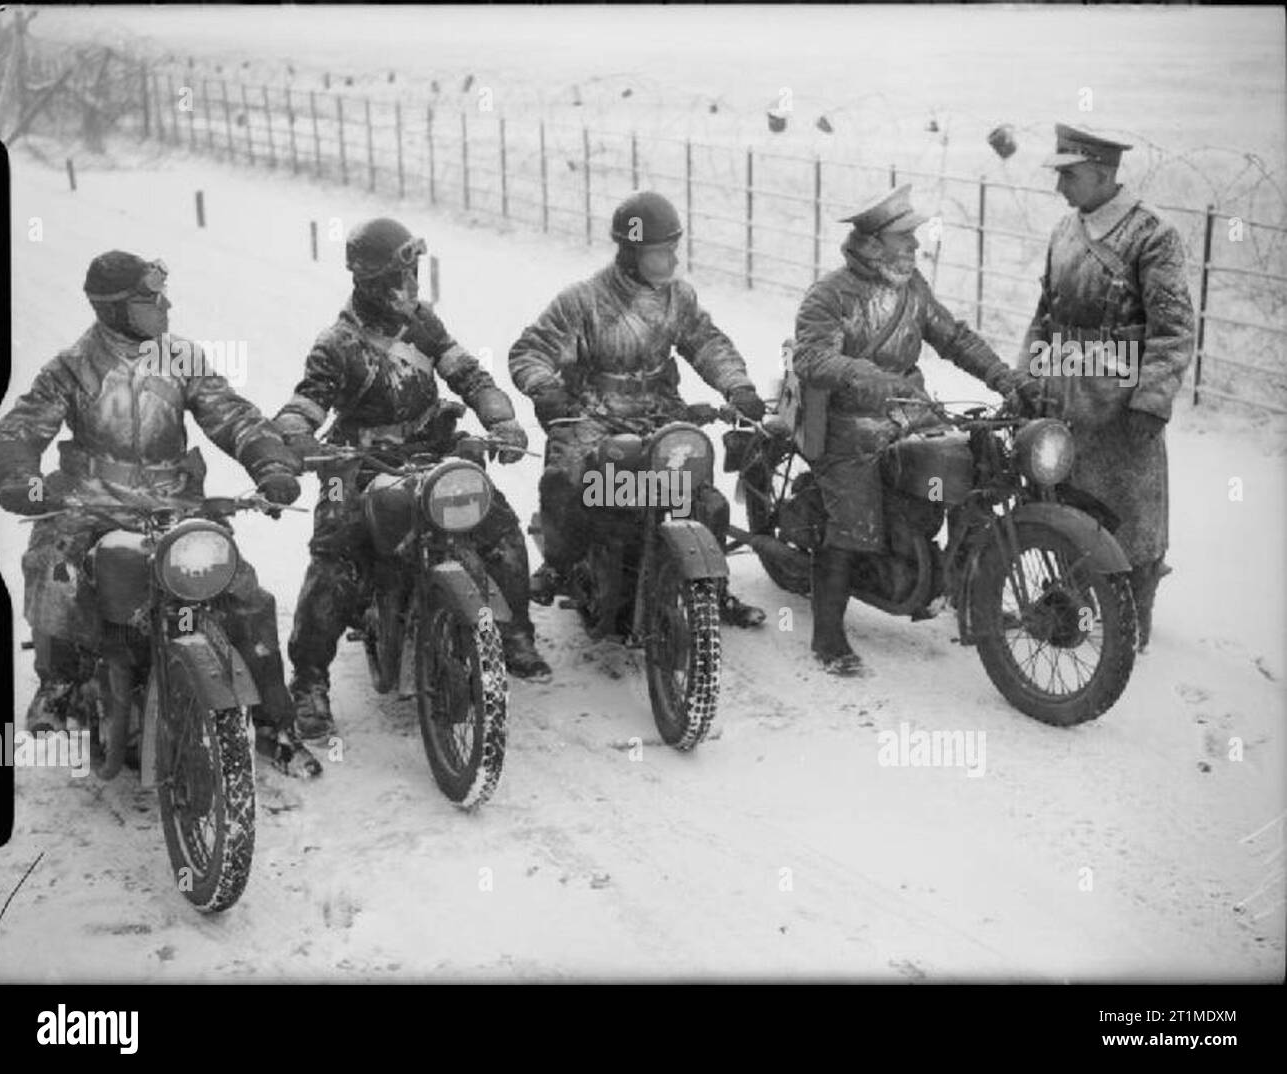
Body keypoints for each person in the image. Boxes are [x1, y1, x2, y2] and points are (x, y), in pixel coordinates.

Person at [0, 251, 321, 777]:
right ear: (116, 308)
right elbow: (20, 428)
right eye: (151, 299)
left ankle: (274, 724)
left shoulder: (181, 358)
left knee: (245, 595)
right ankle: (59, 682)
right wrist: (19, 478)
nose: (166, 305)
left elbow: (231, 414)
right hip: (91, 504)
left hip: (176, 504)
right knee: (55, 568)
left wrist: (271, 462)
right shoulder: (71, 366)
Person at [274, 218, 550, 743]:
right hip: (359, 461)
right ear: (375, 280)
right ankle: (309, 680)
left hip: (434, 449)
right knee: (334, 560)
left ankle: (514, 633)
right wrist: (294, 436)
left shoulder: (424, 325)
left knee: (501, 530)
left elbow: (469, 374)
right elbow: (306, 401)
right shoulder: (337, 343)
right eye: (404, 273)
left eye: (415, 271)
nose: (413, 283)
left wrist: (501, 420)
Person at [792, 185, 1037, 675]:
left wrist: (1004, 378)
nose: (915, 246)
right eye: (905, 238)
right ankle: (828, 636)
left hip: (911, 412)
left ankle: (966, 592)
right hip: (849, 423)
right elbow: (812, 357)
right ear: (874, 242)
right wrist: (872, 379)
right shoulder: (831, 295)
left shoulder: (912, 288)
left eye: (914, 237)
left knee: (974, 474)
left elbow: (953, 338)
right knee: (854, 523)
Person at [507, 190, 769, 629]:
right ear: (629, 252)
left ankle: (712, 587)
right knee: (572, 481)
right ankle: (560, 565)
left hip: (660, 409)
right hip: (592, 413)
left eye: (672, 250)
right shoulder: (583, 300)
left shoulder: (678, 298)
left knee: (702, 493)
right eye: (657, 252)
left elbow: (707, 343)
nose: (669, 261)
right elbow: (529, 352)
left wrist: (737, 386)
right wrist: (546, 390)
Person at [1021, 124, 1194, 651]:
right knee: (1064, 501)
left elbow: (1173, 328)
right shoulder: (1063, 231)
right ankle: (1071, 605)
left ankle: (1132, 622)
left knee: (1131, 515)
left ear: (1101, 172)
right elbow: (1045, 316)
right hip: (1063, 395)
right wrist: (1029, 377)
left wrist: (1151, 399)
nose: (1060, 188)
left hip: (1121, 407)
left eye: (1068, 175)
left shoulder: (1152, 235)